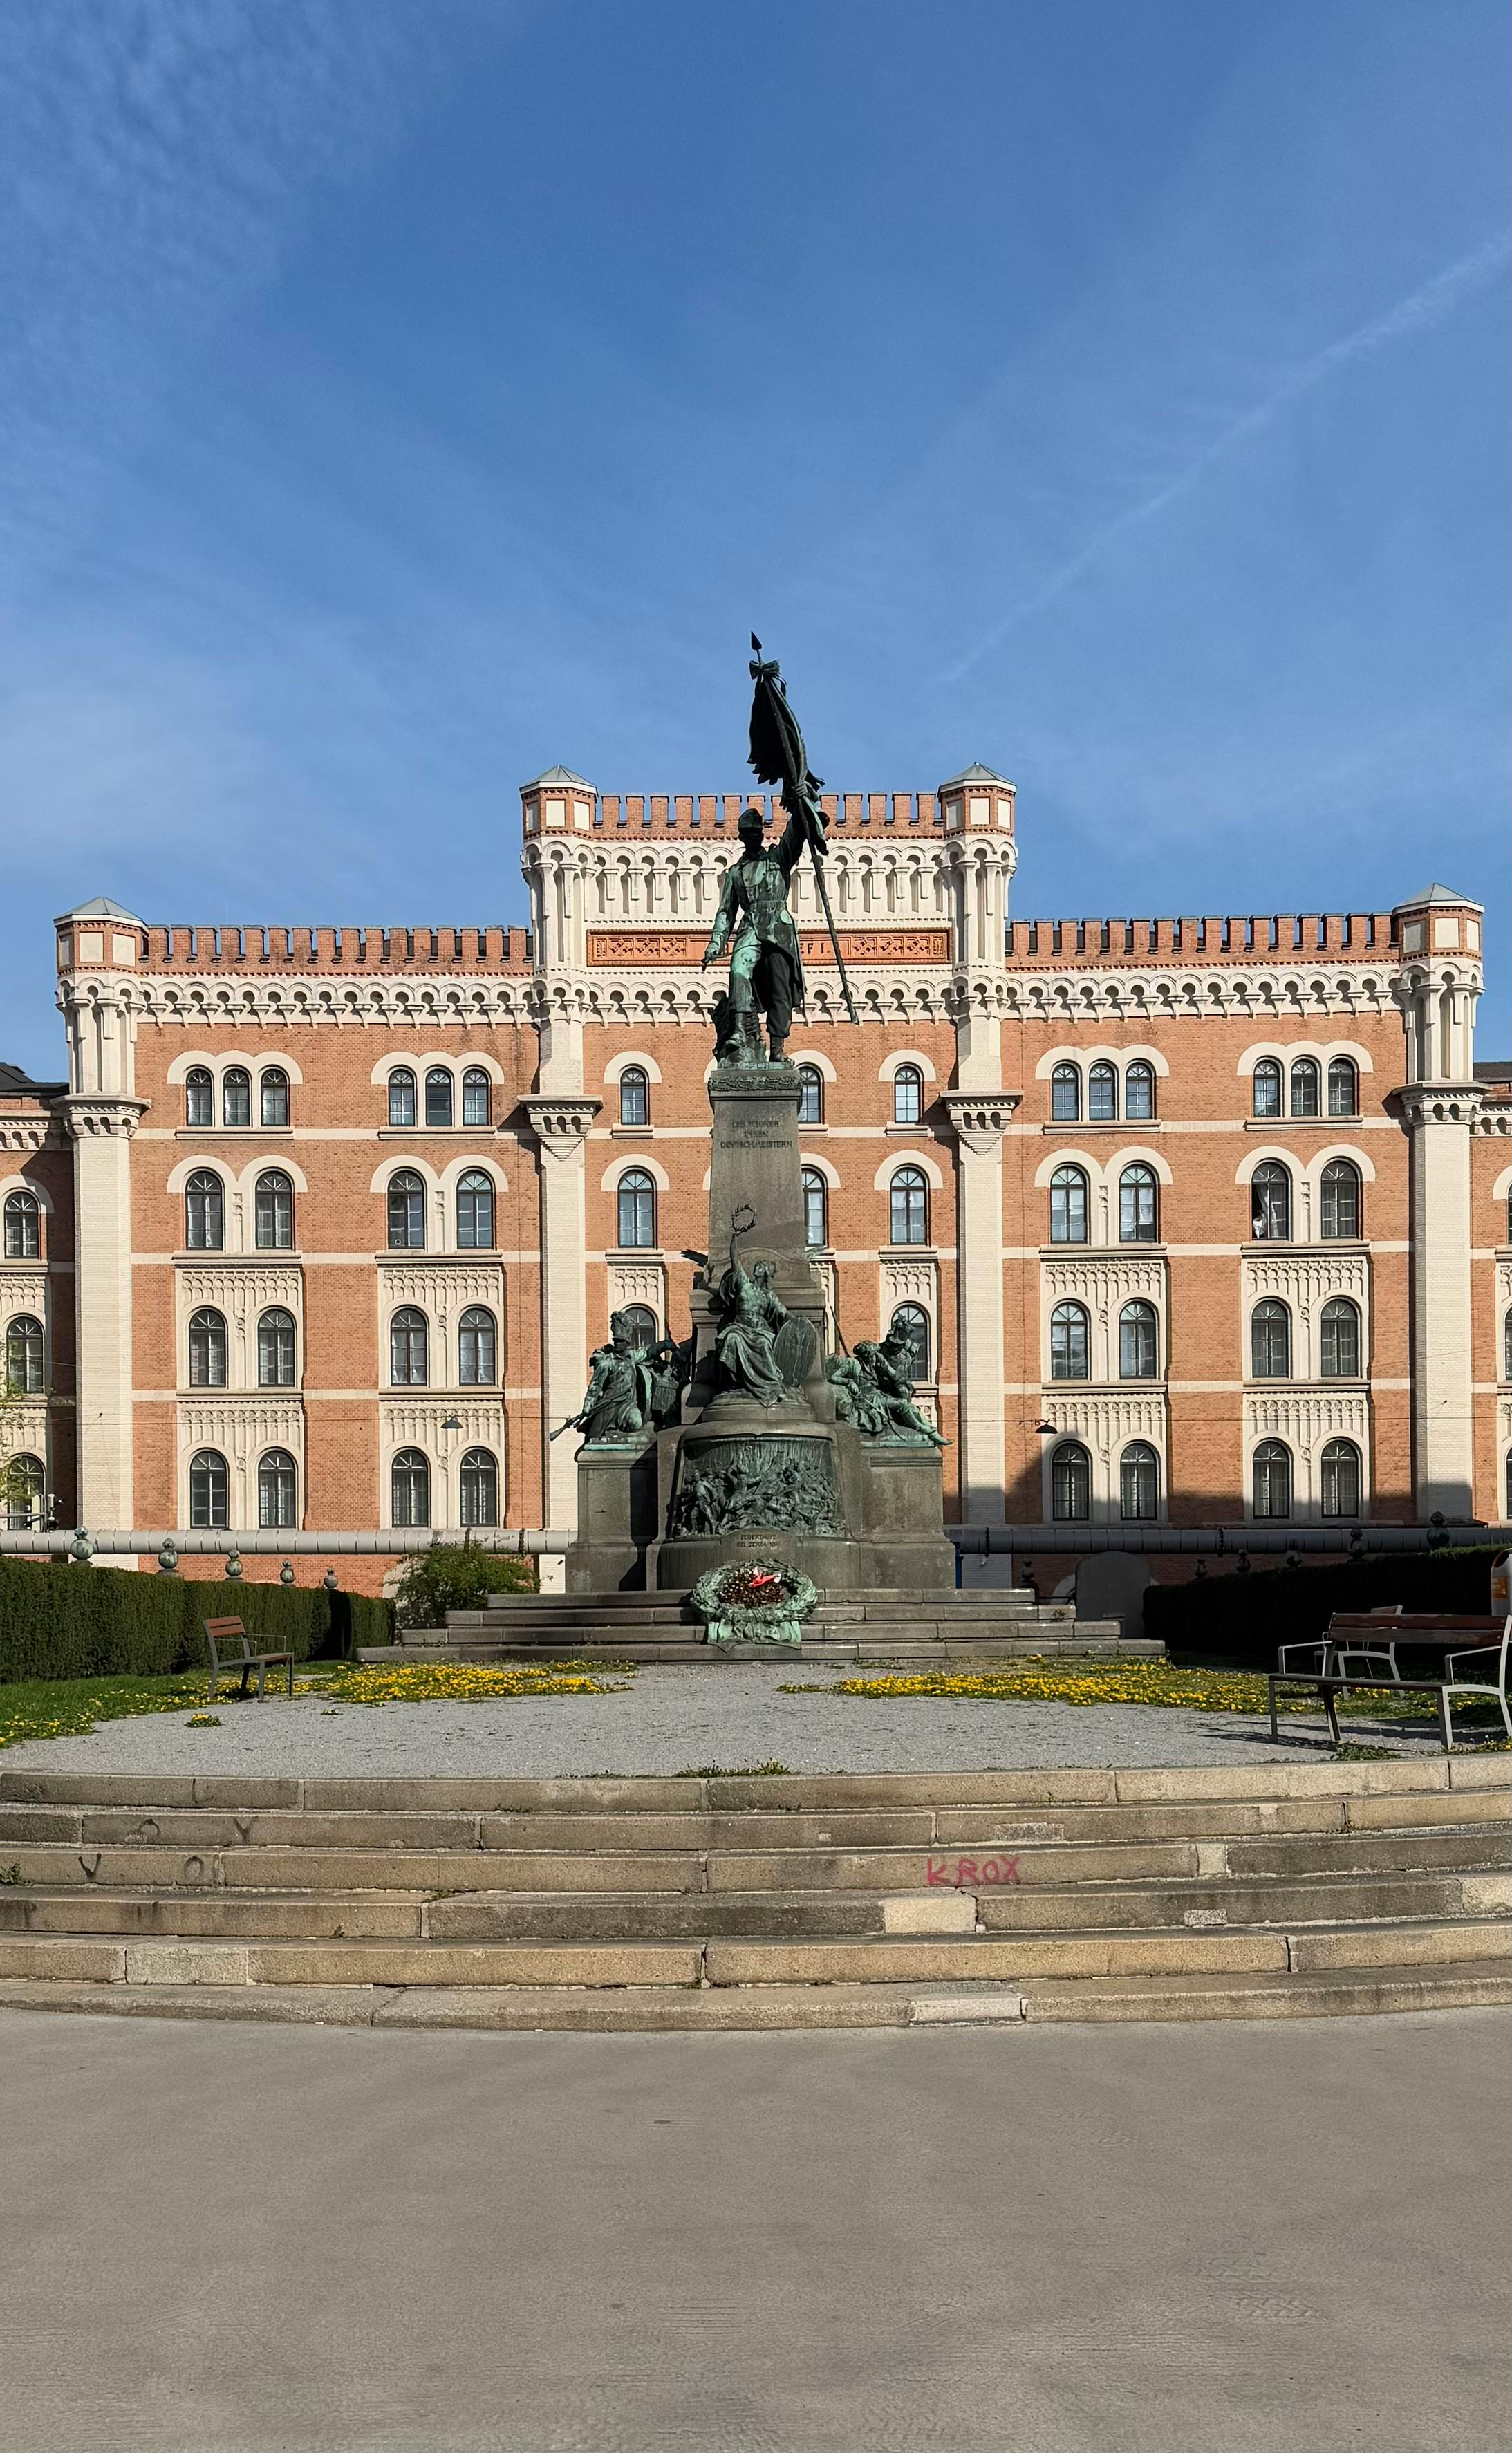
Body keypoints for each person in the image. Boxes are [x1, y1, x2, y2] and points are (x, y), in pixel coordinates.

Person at [700, 801, 814, 1064]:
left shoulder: (778, 859)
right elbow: (726, 912)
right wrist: (715, 944)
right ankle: (740, 1031)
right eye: (748, 833)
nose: (753, 836)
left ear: (762, 834)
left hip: (778, 929)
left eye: (756, 832)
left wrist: (799, 803)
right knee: (738, 969)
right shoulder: (735, 873)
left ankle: (776, 1049)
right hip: (750, 927)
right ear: (741, 837)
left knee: (779, 991)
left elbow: (795, 835)